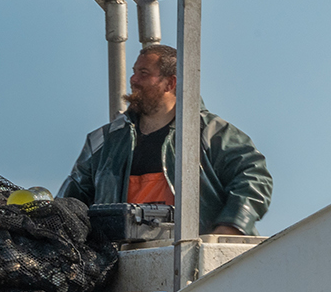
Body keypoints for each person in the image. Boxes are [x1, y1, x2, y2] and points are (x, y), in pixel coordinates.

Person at [59, 44, 272, 236]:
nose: (133, 80)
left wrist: (230, 228)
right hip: (119, 263)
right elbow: (69, 203)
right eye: (134, 72)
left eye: (144, 73)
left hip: (196, 264)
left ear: (171, 82)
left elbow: (254, 177)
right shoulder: (102, 142)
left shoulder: (212, 134)